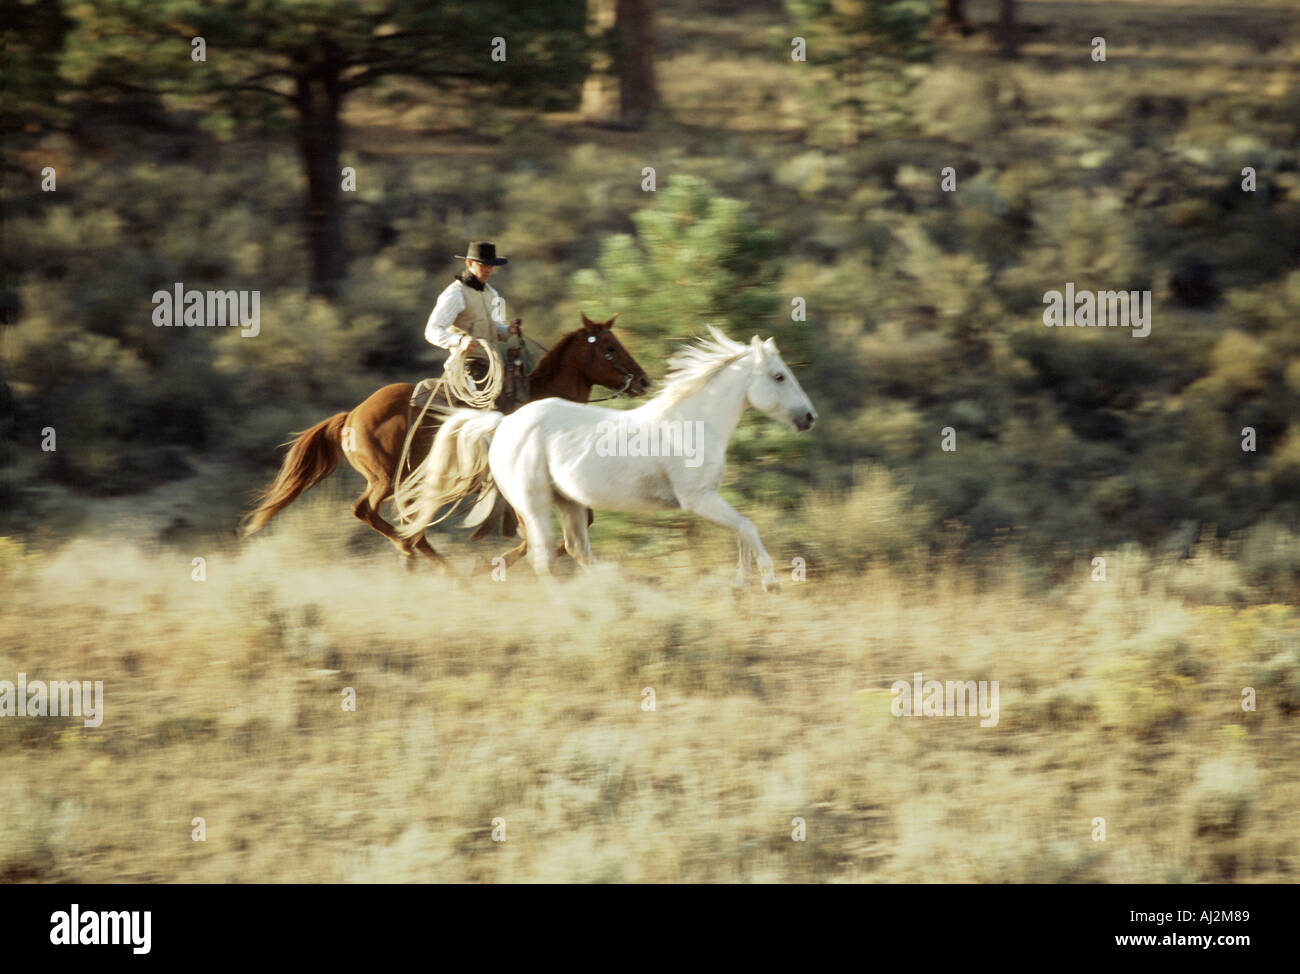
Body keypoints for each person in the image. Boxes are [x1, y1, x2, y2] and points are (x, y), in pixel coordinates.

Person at [424, 241, 522, 400]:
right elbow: (431, 331)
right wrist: (460, 340)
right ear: (469, 263)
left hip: (493, 368)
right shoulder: (455, 294)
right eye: (483, 265)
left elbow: (496, 331)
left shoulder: (493, 294)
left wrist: (508, 330)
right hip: (466, 367)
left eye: (490, 266)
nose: (488, 270)